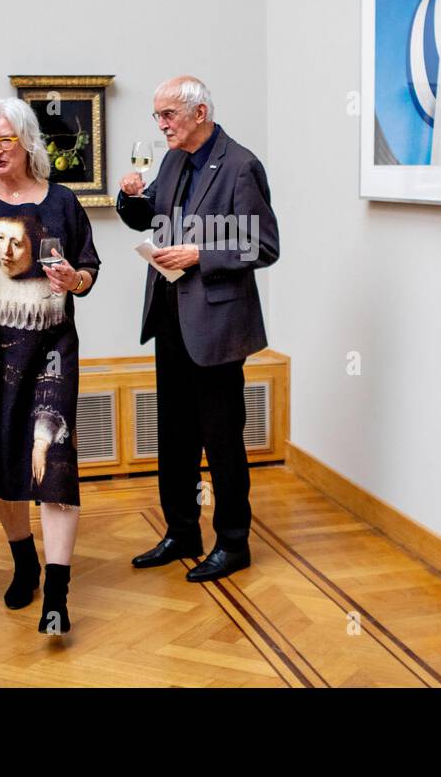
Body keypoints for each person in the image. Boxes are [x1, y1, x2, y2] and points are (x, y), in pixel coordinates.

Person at [0, 98, 101, 635]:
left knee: (52, 463)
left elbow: (88, 269)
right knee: (0, 459)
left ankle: (57, 595)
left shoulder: (62, 202)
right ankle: (23, 559)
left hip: (51, 350)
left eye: (5, 139)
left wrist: (73, 281)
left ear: (28, 140)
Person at [116, 75, 279, 582]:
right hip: (171, 319)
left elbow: (263, 245)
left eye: (168, 115)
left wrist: (201, 255)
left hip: (218, 327)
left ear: (200, 113)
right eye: (158, 116)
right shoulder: (171, 159)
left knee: (222, 438)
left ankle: (233, 543)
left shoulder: (241, 164)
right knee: (176, 436)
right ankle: (182, 531)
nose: (161, 124)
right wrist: (131, 200)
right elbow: (154, 219)